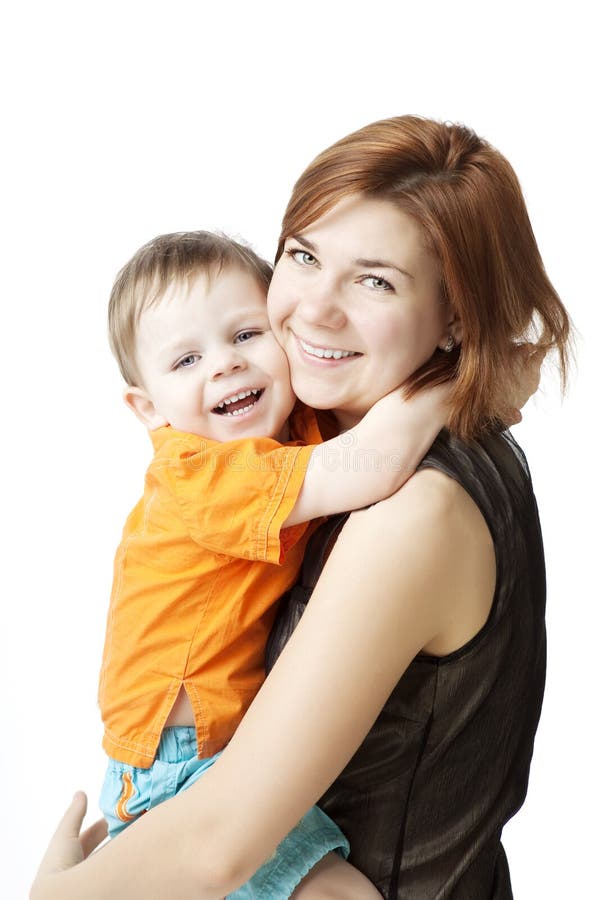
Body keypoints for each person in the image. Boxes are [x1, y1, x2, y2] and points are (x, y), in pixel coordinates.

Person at [31, 115, 570, 900]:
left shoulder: (412, 513)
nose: (315, 311)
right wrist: (465, 381)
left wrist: (57, 896)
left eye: (375, 281)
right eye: (304, 257)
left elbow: (218, 848)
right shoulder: (318, 433)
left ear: (457, 316)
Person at [97, 229, 450, 898]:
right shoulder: (203, 472)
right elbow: (371, 464)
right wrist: (459, 379)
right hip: (176, 764)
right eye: (187, 360)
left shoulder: (289, 431)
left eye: (245, 335)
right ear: (147, 408)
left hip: (228, 743)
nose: (225, 365)